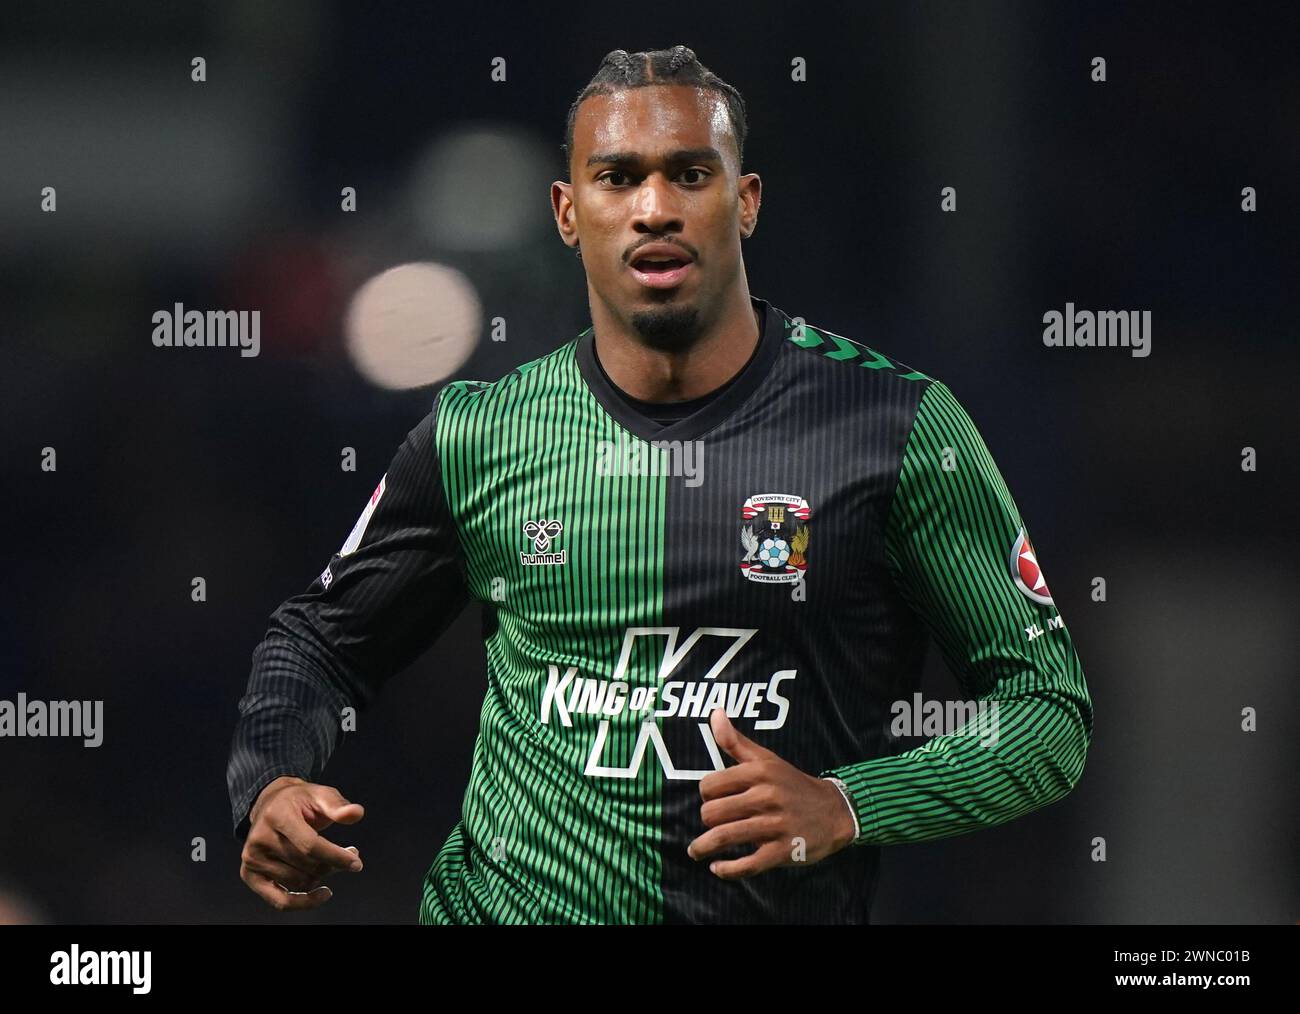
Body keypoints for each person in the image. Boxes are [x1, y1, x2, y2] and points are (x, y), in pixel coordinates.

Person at [227, 45, 1092, 924]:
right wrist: (268, 784)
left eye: (689, 174)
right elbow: (320, 641)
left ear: (744, 201)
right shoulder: (482, 435)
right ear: (568, 212)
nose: (653, 210)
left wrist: (848, 804)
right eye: (617, 178)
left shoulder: (897, 429)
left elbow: (1046, 713)